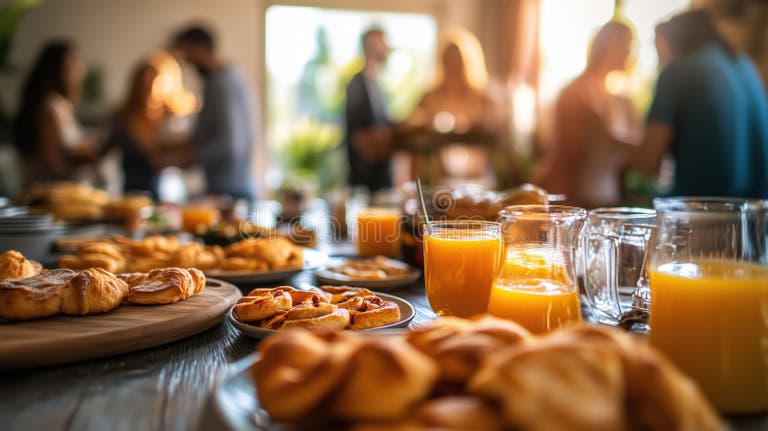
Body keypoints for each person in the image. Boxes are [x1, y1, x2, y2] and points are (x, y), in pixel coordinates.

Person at [632, 10, 768, 198]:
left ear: (667, 41)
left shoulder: (679, 71)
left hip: (704, 213)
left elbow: (646, 165)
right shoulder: (744, 66)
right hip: (757, 217)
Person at [533, 21, 638, 208]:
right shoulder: (575, 92)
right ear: (608, 46)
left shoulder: (621, 100)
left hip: (610, 199)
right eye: (626, 45)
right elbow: (564, 154)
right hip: (577, 200)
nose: (630, 53)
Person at [402, 28, 502, 186]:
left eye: (457, 60)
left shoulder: (483, 97)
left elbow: (496, 126)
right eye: (448, 60)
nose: (453, 65)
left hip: (477, 179)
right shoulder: (430, 96)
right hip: (439, 178)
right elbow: (409, 124)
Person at [173, 25, 256, 201]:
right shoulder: (229, 78)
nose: (187, 62)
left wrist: (191, 158)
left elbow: (229, 144)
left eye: (187, 54)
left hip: (229, 193)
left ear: (199, 49)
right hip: (232, 188)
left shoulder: (221, 84)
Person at [14, 40, 94, 185]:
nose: (80, 71)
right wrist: (88, 167)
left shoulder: (61, 105)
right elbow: (53, 166)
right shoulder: (50, 108)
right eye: (72, 65)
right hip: (47, 194)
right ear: (56, 69)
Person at [104, 61, 175, 198]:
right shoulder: (123, 116)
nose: (149, 89)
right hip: (132, 185)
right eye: (145, 84)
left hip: (157, 185)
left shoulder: (159, 117)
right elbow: (108, 146)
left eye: (153, 84)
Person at [344, 27, 393, 193]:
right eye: (382, 42)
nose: (386, 47)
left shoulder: (377, 85)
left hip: (381, 178)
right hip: (365, 181)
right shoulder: (356, 85)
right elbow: (359, 137)